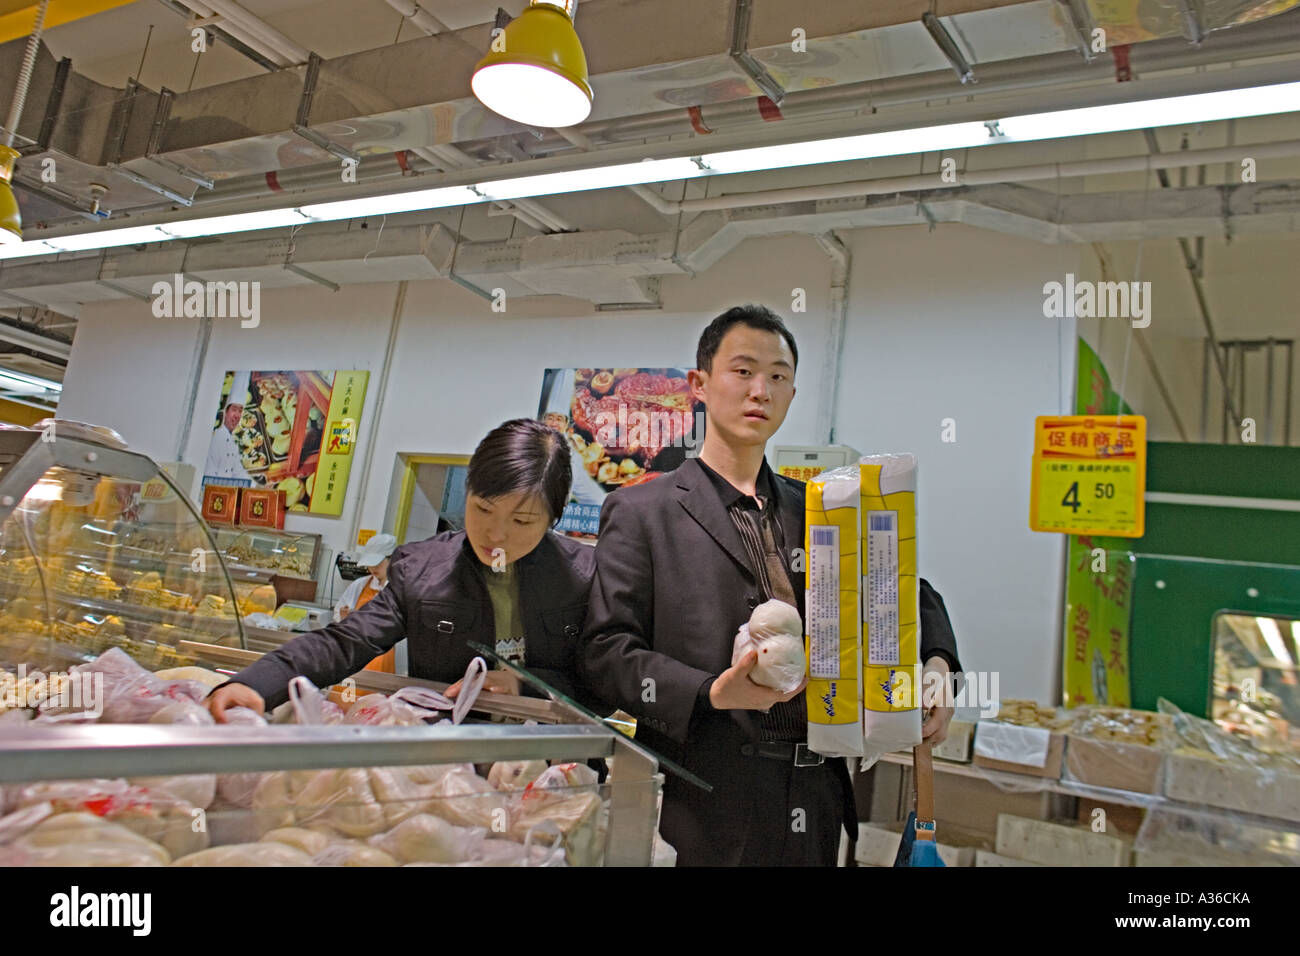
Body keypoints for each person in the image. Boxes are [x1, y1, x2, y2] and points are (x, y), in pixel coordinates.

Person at [579, 305, 962, 866]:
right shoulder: (643, 511)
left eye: (778, 376)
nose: (761, 390)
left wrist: (939, 663)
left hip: (816, 794)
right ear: (699, 384)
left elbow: (904, 590)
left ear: (792, 393)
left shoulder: (819, 508)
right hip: (701, 804)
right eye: (743, 371)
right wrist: (711, 691)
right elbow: (606, 651)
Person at [207, 418, 595, 720]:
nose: (495, 534)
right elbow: (344, 642)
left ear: (554, 517)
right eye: (483, 509)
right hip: (450, 762)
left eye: (522, 521)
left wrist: (524, 685)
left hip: (559, 762)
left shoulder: (586, 577)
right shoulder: (422, 569)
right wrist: (258, 683)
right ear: (468, 492)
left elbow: (600, 688)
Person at [334, 532, 398, 672]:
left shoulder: (399, 589)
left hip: (382, 658)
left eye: (378, 563)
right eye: (370, 564)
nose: (373, 568)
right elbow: (338, 614)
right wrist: (344, 617)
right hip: (355, 655)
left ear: (392, 560)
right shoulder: (360, 585)